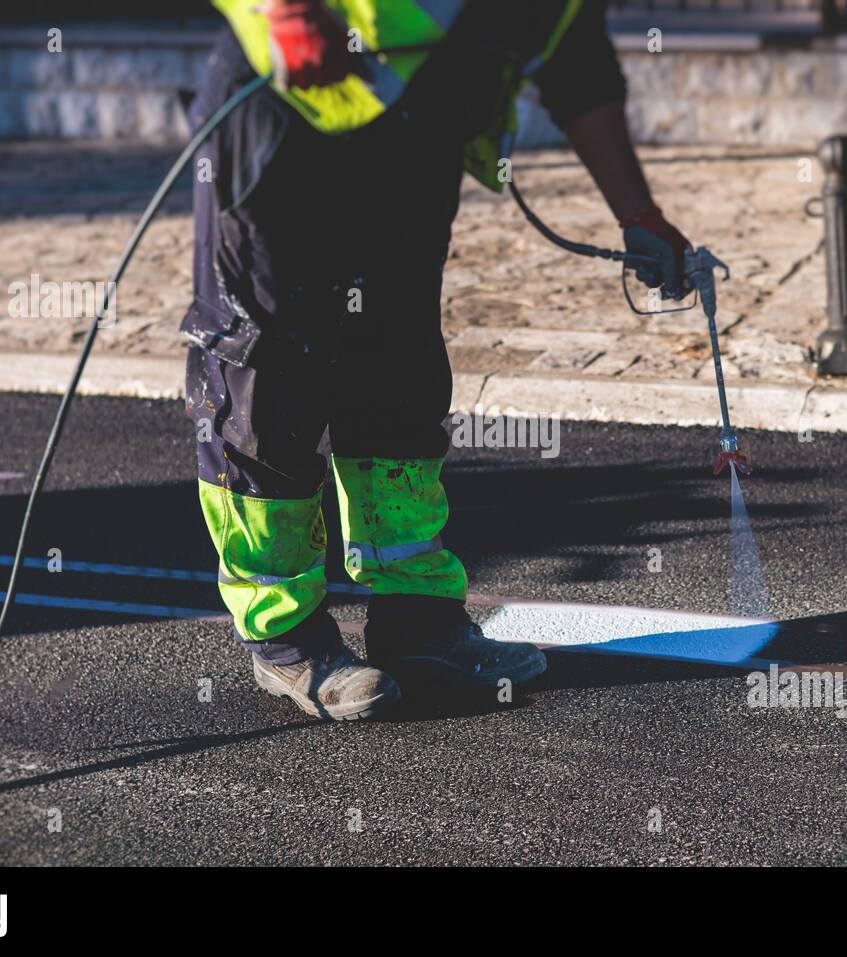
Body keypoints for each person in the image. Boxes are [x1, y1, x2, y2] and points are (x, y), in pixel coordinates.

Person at [183, 0, 694, 720]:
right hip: (282, 116)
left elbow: (577, 69)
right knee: (269, 382)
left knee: (397, 375)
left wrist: (637, 215)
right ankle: (286, 635)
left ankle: (417, 619)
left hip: (413, 144)